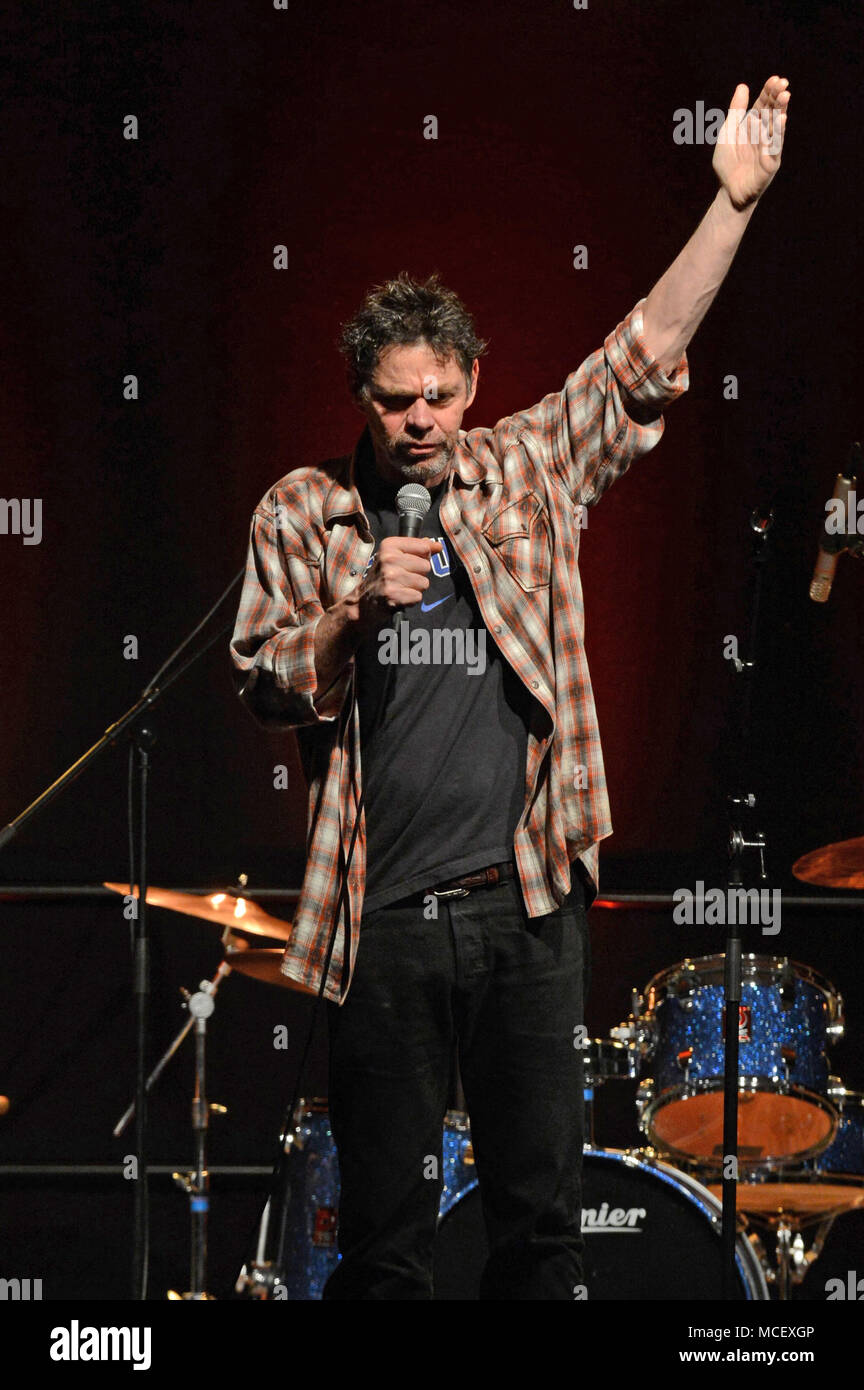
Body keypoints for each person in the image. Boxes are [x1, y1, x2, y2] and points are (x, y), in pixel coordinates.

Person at [230, 77, 790, 1300]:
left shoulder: (529, 466)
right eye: (395, 401)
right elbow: (262, 677)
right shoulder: (303, 510)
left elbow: (645, 352)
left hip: (526, 905)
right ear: (362, 400)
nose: (421, 420)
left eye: (439, 393)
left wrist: (731, 206)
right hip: (377, 921)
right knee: (383, 1239)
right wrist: (350, 609)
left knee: (541, 1233)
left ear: (473, 382)